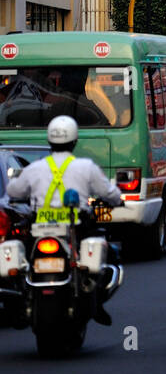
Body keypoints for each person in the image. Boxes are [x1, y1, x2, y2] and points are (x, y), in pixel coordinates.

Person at [5, 115, 123, 325]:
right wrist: (117, 201)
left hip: (37, 230)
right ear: (75, 141)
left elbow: (13, 190)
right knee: (110, 257)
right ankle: (97, 304)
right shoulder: (85, 166)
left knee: (23, 262)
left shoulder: (35, 168)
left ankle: (21, 301)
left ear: (50, 142)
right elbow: (110, 193)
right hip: (77, 228)